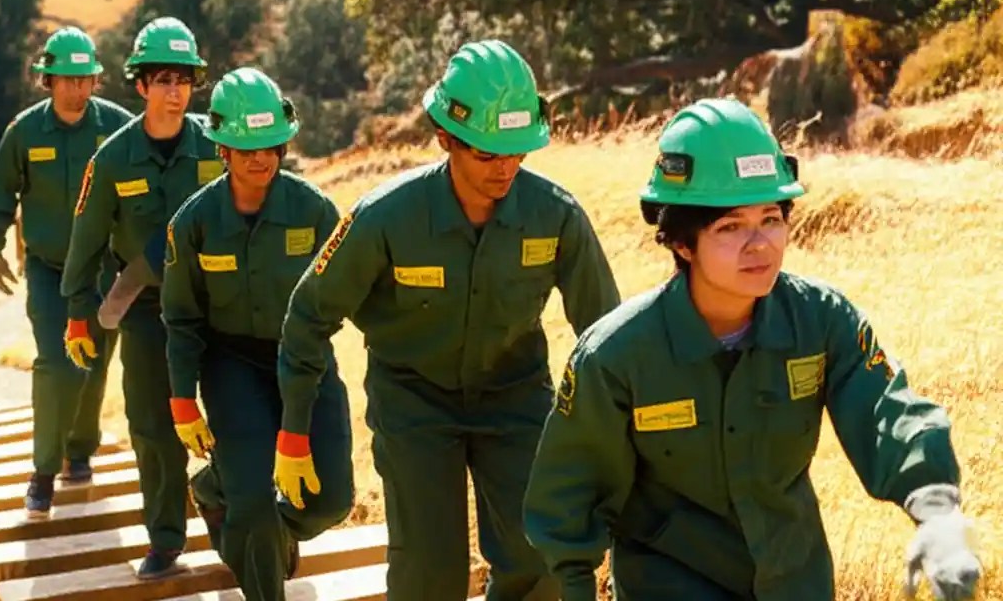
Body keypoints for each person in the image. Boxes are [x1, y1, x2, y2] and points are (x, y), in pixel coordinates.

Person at [522, 97, 983, 601]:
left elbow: (885, 411)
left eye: (771, 218)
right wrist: (574, 587)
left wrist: (937, 511)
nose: (760, 244)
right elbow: (568, 493)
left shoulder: (821, 321)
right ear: (681, 241)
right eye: (730, 227)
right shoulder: (616, 356)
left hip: (795, 582)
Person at [275, 39, 622, 600]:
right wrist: (294, 430)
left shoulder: (555, 216)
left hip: (515, 397)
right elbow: (308, 315)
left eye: (517, 152)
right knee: (429, 572)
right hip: (413, 402)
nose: (505, 167)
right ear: (445, 138)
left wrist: (613, 439)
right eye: (487, 154)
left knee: (541, 557)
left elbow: (604, 335)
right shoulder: (385, 217)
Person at [99, 67, 356, 599]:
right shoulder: (194, 222)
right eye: (246, 149)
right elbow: (182, 320)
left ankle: (218, 489)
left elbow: (353, 290)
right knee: (256, 505)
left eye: (271, 146)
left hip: (303, 361)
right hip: (230, 364)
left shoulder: (314, 209)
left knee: (330, 500)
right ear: (222, 150)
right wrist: (182, 401)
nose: (261, 158)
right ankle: (245, 518)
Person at [59, 16, 225, 579]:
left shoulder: (219, 142)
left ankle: (238, 515)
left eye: (184, 79)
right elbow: (84, 242)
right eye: (162, 80)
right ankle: (165, 538)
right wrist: (79, 314)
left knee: (238, 412)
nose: (175, 92)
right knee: (153, 425)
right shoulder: (111, 159)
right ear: (140, 85)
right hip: (148, 309)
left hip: (217, 302)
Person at [0, 26, 133, 517]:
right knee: (56, 362)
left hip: (107, 270)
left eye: (84, 79)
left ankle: (80, 449)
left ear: (95, 81)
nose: (75, 88)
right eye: (65, 79)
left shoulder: (117, 127)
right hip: (48, 269)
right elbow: (0, 190)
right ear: (47, 81)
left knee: (96, 361)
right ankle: (43, 473)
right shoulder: (24, 132)